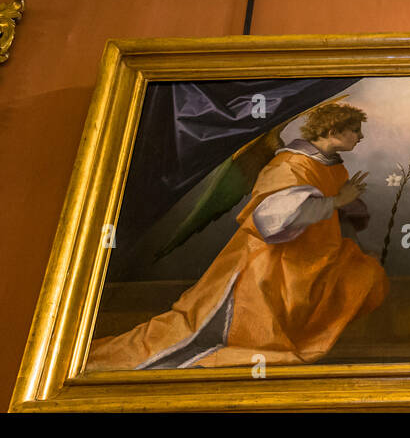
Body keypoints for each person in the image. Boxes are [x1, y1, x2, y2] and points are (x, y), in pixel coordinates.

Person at [88, 101, 388, 370]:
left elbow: (338, 215)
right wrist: (336, 202)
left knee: (366, 275)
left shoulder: (332, 166)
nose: (359, 137)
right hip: (270, 263)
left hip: (312, 255)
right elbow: (271, 219)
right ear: (333, 128)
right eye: (354, 130)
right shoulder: (291, 164)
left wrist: (349, 216)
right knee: (199, 335)